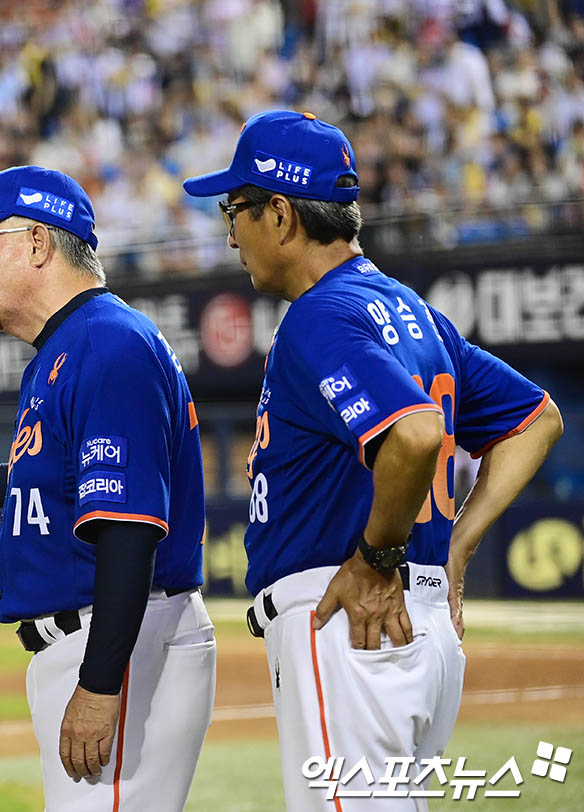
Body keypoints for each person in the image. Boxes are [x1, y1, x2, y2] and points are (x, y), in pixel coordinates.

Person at [182, 110, 563, 810]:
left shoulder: (324, 314)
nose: (230, 230)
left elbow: (416, 434)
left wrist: (378, 557)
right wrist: (459, 544)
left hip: (352, 622)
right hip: (415, 630)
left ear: (281, 214)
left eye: (234, 208)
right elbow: (536, 419)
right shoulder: (415, 312)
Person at [0, 165, 216, 811]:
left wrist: (100, 684)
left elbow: (128, 526)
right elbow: (76, 482)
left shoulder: (106, 343)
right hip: (101, 640)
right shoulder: (73, 344)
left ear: (37, 244)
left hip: (116, 644)